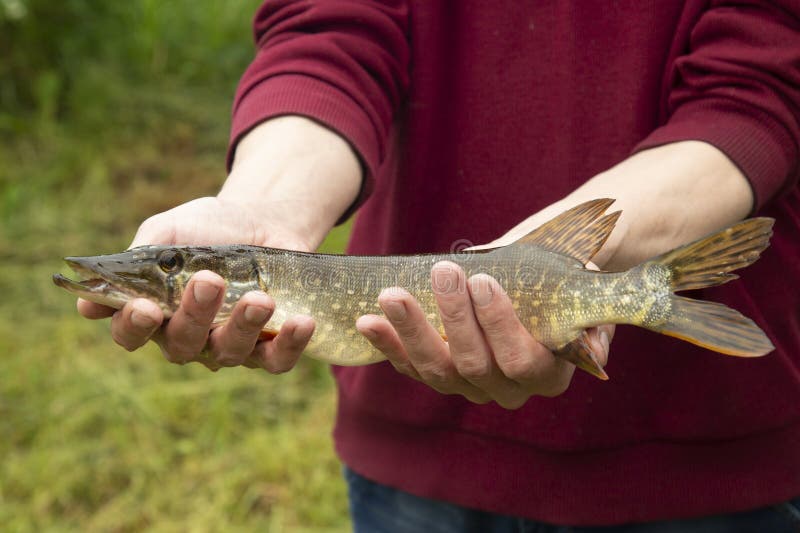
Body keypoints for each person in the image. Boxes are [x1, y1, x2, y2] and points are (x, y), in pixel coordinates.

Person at [78, 2, 800, 531]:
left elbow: (757, 87)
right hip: (415, 462)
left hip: (707, 467)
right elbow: (331, 30)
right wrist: (264, 208)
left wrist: (556, 254)